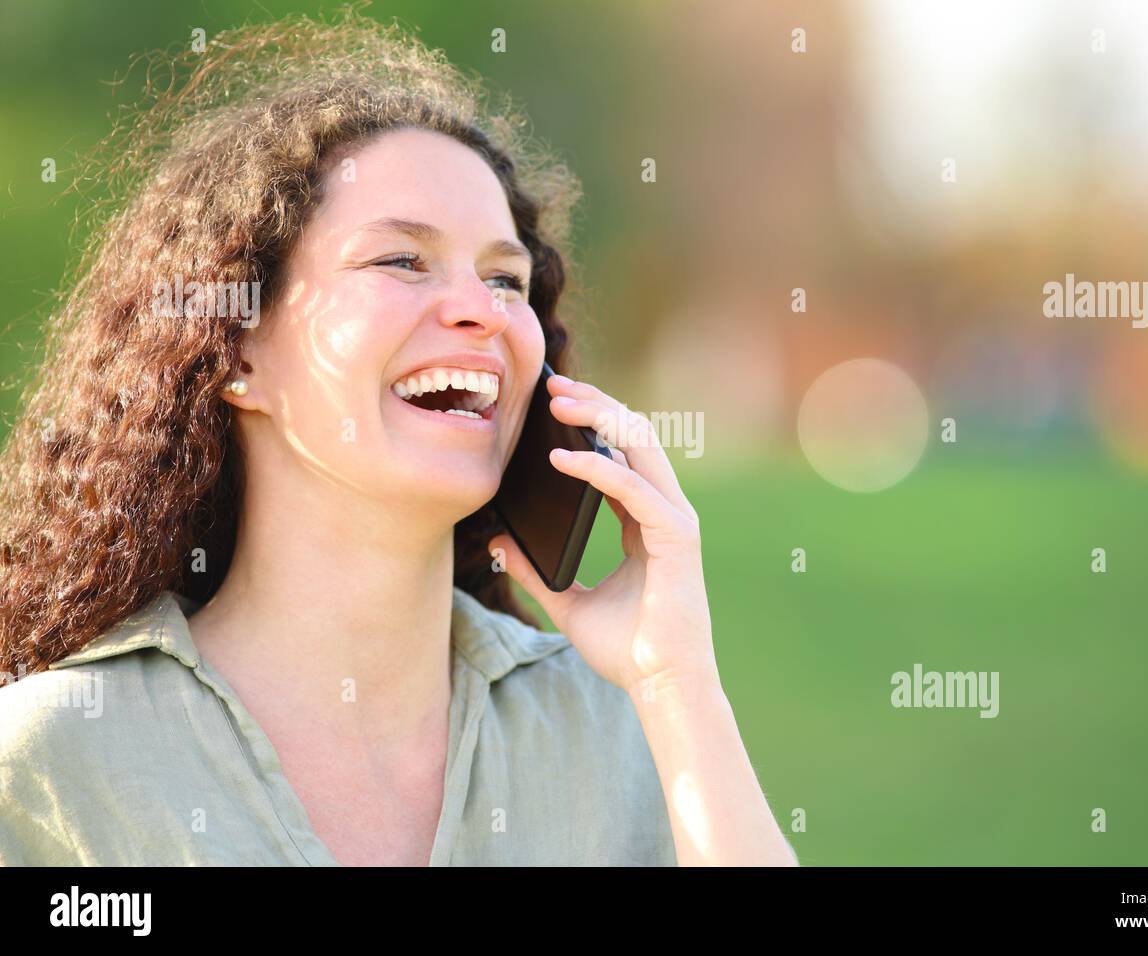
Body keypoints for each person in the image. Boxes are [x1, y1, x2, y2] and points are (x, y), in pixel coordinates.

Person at [0, 12, 796, 867]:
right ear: (235, 348)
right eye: (402, 261)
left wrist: (676, 683)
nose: (484, 309)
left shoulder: (620, 724)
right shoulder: (57, 760)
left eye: (506, 278)